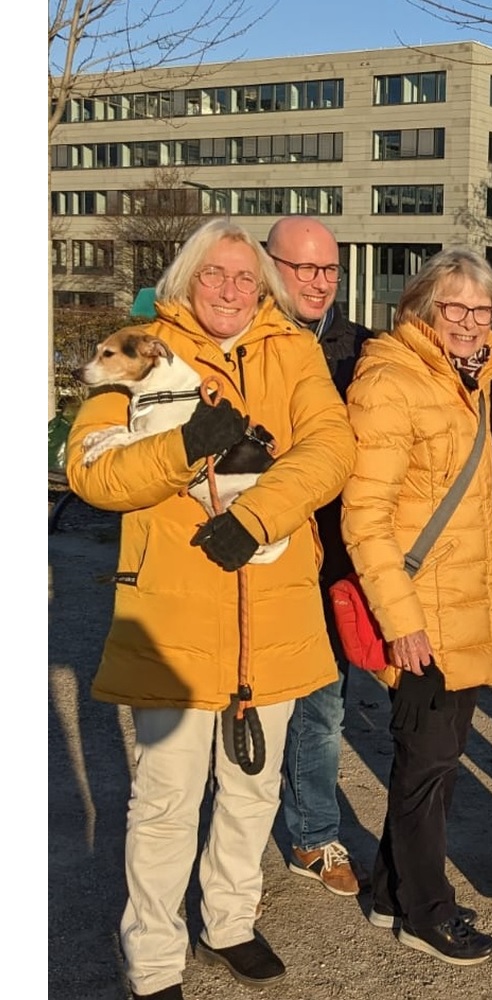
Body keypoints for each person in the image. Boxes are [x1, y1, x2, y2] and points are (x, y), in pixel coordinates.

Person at [66, 218, 355, 1000]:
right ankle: (153, 960)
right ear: (187, 280)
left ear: (263, 287)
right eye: (215, 275)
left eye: (245, 279)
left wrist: (258, 518)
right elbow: (93, 474)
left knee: (253, 788)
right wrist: (187, 444)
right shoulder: (142, 348)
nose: (231, 291)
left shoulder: (291, 350)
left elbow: (331, 449)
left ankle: (228, 920)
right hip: (175, 614)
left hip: (275, 605)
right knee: (166, 798)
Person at [340, 248, 492, 965]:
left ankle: (389, 891)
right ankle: (426, 911)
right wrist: (401, 619)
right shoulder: (391, 380)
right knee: (427, 768)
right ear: (422, 309)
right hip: (424, 614)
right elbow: (365, 516)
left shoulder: (476, 378)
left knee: (432, 763)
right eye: (456, 308)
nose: (471, 323)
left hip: (468, 603)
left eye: (483, 310)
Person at [267, 215, 373, 898]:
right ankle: (231, 828)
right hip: (254, 552)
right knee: (240, 704)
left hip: (330, 556)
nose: (318, 280)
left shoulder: (361, 348)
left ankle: (310, 834)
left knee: (323, 703)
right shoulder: (242, 344)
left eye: (329, 269)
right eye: (304, 267)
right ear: (271, 265)